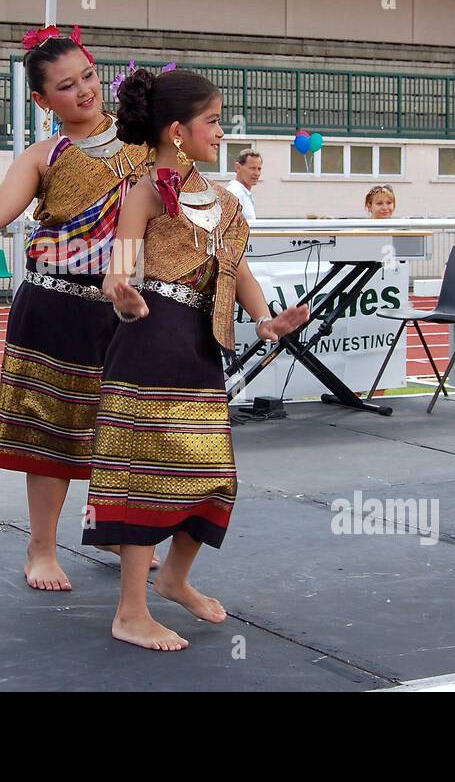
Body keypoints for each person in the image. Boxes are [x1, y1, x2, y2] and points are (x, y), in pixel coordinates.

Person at [0, 25, 150, 591]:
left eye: (88, 75)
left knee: (122, 429)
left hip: (125, 307)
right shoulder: (44, 156)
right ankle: (41, 547)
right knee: (51, 436)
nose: (85, 91)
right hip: (54, 310)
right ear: (42, 101)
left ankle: (109, 528)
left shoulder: (144, 142)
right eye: (67, 86)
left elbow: (158, 213)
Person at [88, 67, 308, 651]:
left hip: (200, 346)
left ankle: (176, 579)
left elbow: (236, 270)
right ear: (178, 131)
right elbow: (121, 264)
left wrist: (265, 320)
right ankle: (129, 610)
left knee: (215, 475)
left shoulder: (221, 200)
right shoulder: (145, 191)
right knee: (146, 475)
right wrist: (123, 292)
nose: (222, 131)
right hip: (150, 340)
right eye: (212, 121)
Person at [225, 147, 261, 223]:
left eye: (259, 169)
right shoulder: (234, 193)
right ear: (238, 167)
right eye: (252, 168)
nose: (257, 173)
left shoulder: (244, 193)